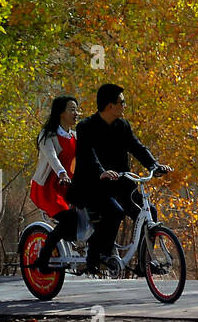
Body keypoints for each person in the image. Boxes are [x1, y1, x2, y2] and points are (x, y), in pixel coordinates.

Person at [70, 84, 170, 274]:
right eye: (122, 102)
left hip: (121, 184)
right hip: (92, 186)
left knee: (149, 212)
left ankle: (144, 263)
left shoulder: (122, 126)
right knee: (115, 212)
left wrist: (154, 166)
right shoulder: (86, 127)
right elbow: (87, 155)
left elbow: (137, 147)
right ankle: (97, 254)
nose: (124, 105)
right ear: (110, 106)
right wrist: (101, 171)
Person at [28, 96, 81, 271]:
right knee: (68, 221)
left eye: (76, 109)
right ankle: (43, 258)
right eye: (72, 109)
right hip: (48, 188)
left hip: (68, 187)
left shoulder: (75, 136)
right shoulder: (47, 135)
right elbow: (52, 157)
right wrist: (62, 173)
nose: (76, 113)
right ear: (61, 113)